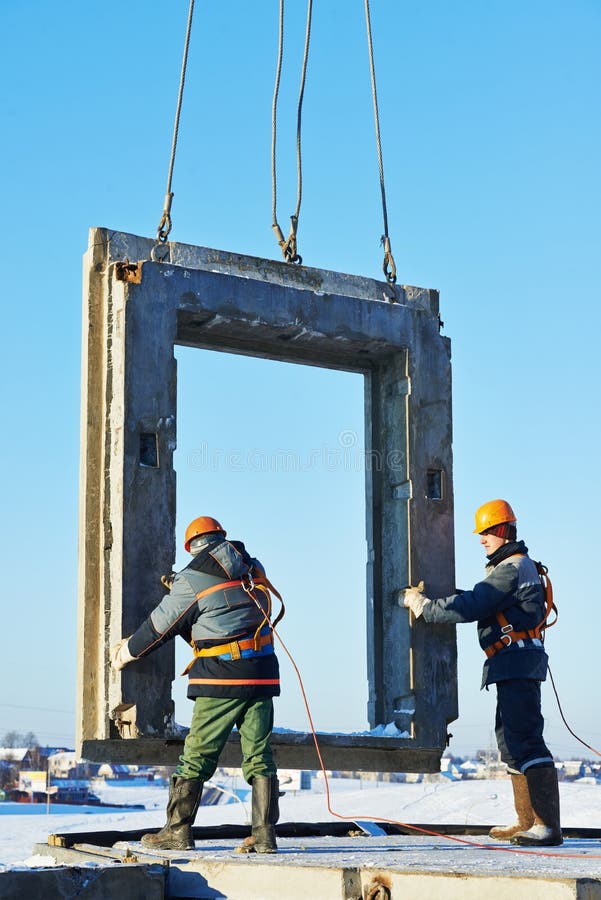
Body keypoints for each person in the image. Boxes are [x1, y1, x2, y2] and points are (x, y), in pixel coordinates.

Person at [110, 516, 281, 853]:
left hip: (222, 676)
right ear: (221, 538)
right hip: (262, 672)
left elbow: (158, 627)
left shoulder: (191, 580)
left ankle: (177, 831)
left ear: (192, 547)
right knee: (260, 756)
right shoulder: (250, 566)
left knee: (197, 755)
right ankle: (264, 837)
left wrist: (124, 654)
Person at [402, 499, 562, 847]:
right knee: (511, 742)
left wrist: (426, 608)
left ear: (503, 531)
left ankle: (546, 826)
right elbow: (479, 599)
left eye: (487, 532)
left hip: (517, 662)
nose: (482, 539)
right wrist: (438, 599)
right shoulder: (511, 568)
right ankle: (527, 821)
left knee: (525, 739)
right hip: (512, 663)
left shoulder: (512, 568)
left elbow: (475, 604)